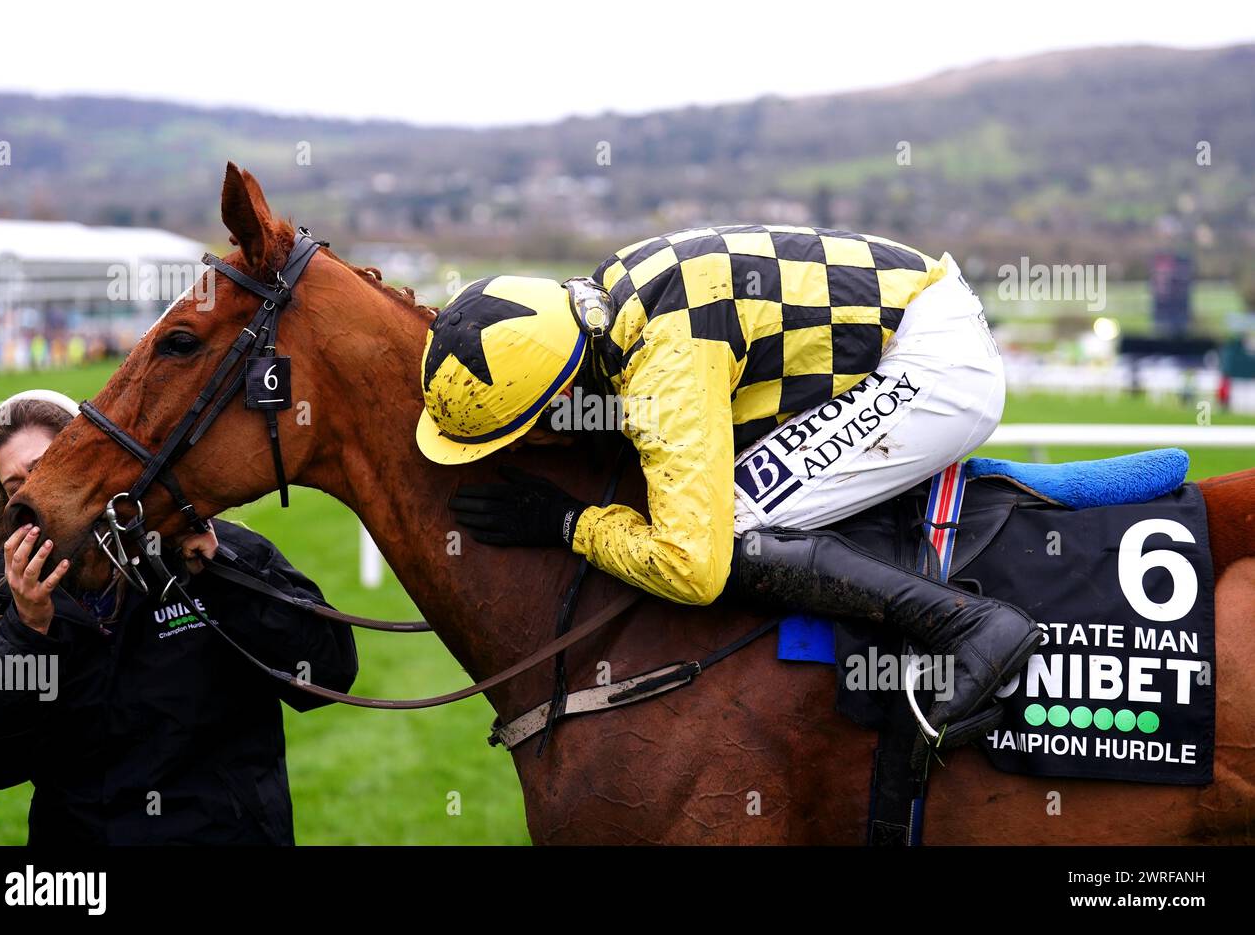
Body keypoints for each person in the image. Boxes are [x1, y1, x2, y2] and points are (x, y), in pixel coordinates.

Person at [415, 225, 1041, 732]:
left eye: (537, 425)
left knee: (725, 527)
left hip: (937, 366)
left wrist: (568, 523)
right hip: (916, 315)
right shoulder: (607, 290)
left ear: (566, 384)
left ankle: (970, 624)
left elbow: (693, 568)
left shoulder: (668, 367)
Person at [0, 390, 358, 844]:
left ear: (94, 454)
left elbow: (329, 672)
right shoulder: (6, 598)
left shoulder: (202, 550)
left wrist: (221, 571)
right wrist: (28, 630)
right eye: (17, 486)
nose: (38, 491)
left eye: (48, 464)